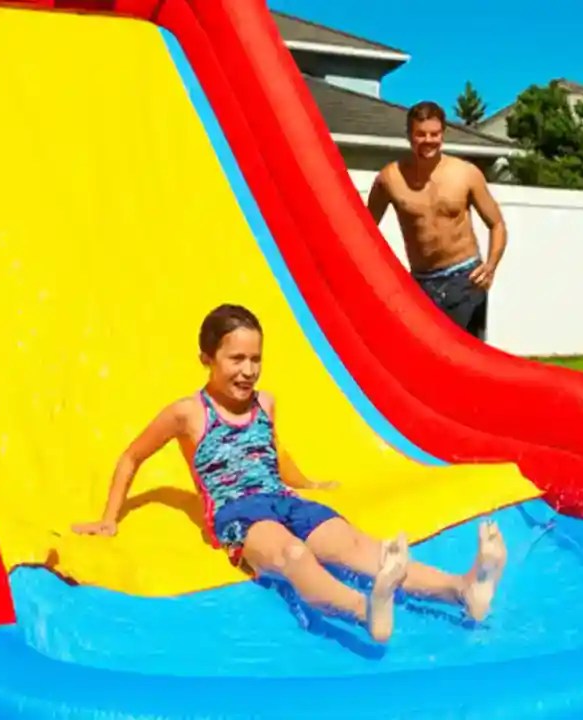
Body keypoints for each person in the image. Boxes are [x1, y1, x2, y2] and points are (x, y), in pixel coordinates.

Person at [72, 304, 508, 643]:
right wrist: (111, 518)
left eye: (255, 359)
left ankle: (463, 588)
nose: (248, 370)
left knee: (357, 546)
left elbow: (273, 452)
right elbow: (132, 456)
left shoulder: (267, 402)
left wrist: (307, 484)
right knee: (293, 557)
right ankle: (366, 608)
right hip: (238, 513)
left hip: (286, 500)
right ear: (207, 357)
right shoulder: (187, 413)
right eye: (236, 358)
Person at [366, 101, 508, 340]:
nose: (428, 140)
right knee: (419, 360)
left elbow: (497, 224)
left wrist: (491, 266)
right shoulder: (389, 178)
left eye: (434, 134)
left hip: (464, 279)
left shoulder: (465, 173)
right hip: (420, 284)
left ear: (443, 134)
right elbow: (364, 230)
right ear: (409, 135)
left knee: (467, 360)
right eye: (420, 134)